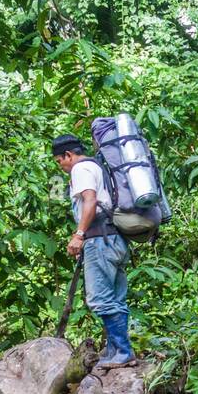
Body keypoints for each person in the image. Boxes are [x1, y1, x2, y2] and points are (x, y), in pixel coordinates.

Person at [52, 134, 134, 367]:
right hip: (115, 239)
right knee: (115, 298)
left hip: (100, 240)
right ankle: (114, 351)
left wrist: (79, 235)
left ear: (68, 155)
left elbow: (89, 200)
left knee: (100, 298)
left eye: (60, 161)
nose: (61, 166)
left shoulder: (81, 169)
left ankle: (123, 351)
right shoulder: (99, 167)